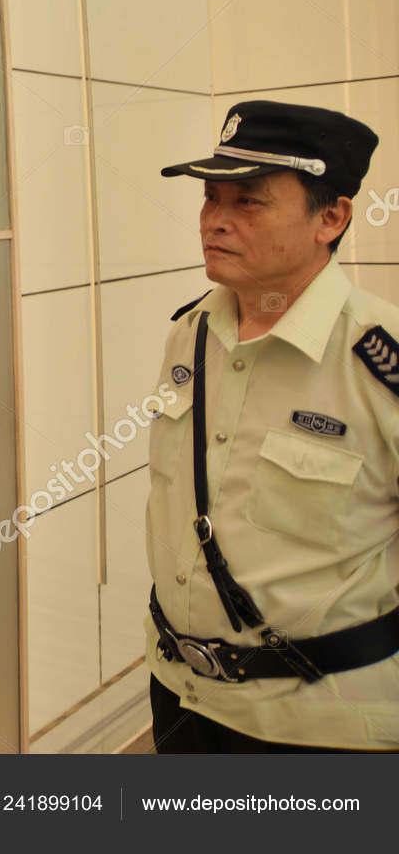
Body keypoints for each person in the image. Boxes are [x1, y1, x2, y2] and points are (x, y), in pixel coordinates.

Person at [144, 99, 399, 753]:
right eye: (211, 198)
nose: (216, 220)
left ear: (331, 218)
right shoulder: (192, 332)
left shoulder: (377, 359)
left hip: (318, 726)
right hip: (178, 697)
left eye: (249, 202)